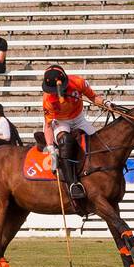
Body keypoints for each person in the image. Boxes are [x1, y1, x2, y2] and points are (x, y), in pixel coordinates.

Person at [41, 64, 104, 201]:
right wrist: (51, 148)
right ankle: (73, 184)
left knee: (98, 142)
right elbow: (48, 125)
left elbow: (93, 97)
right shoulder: (48, 100)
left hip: (79, 117)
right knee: (65, 142)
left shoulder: (78, 82)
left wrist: (106, 103)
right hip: (61, 121)